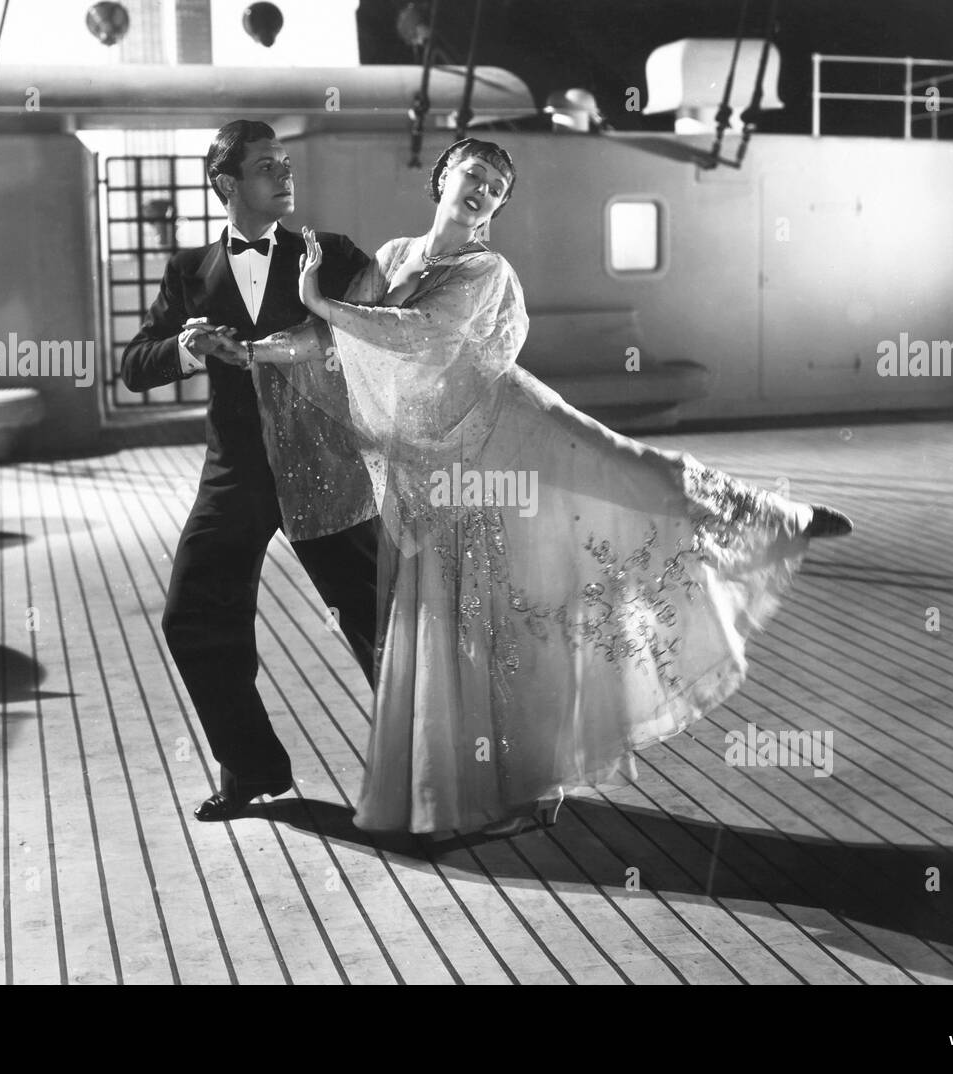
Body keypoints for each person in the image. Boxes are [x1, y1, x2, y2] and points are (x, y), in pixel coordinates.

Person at [243, 138, 852, 837]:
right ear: (443, 177)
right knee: (470, 616)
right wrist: (254, 349)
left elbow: (424, 335)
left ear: (497, 207)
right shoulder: (392, 257)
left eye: (496, 187)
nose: (481, 189)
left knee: (620, 470)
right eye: (473, 174)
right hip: (439, 468)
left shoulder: (486, 268)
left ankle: (774, 518)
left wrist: (318, 299)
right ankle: (483, 793)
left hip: (509, 429)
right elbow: (333, 344)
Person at [120, 120, 381, 822]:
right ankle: (251, 768)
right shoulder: (187, 272)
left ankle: (435, 776)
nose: (285, 175)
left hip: (325, 467)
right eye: (267, 166)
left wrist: (318, 341)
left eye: (286, 162)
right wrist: (188, 344)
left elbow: (385, 333)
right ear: (228, 184)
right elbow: (133, 367)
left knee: (381, 620)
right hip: (236, 472)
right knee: (193, 617)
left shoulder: (332, 254)